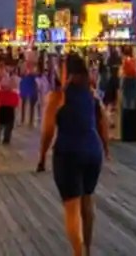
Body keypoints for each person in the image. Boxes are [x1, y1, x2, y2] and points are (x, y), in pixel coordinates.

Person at [38, 54, 109, 256]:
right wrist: (105, 148)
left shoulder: (58, 96)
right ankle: (87, 248)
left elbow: (48, 130)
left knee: (72, 207)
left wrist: (42, 156)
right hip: (92, 151)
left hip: (68, 152)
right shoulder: (91, 94)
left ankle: (78, 253)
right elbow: (102, 121)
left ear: (66, 71)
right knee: (87, 200)